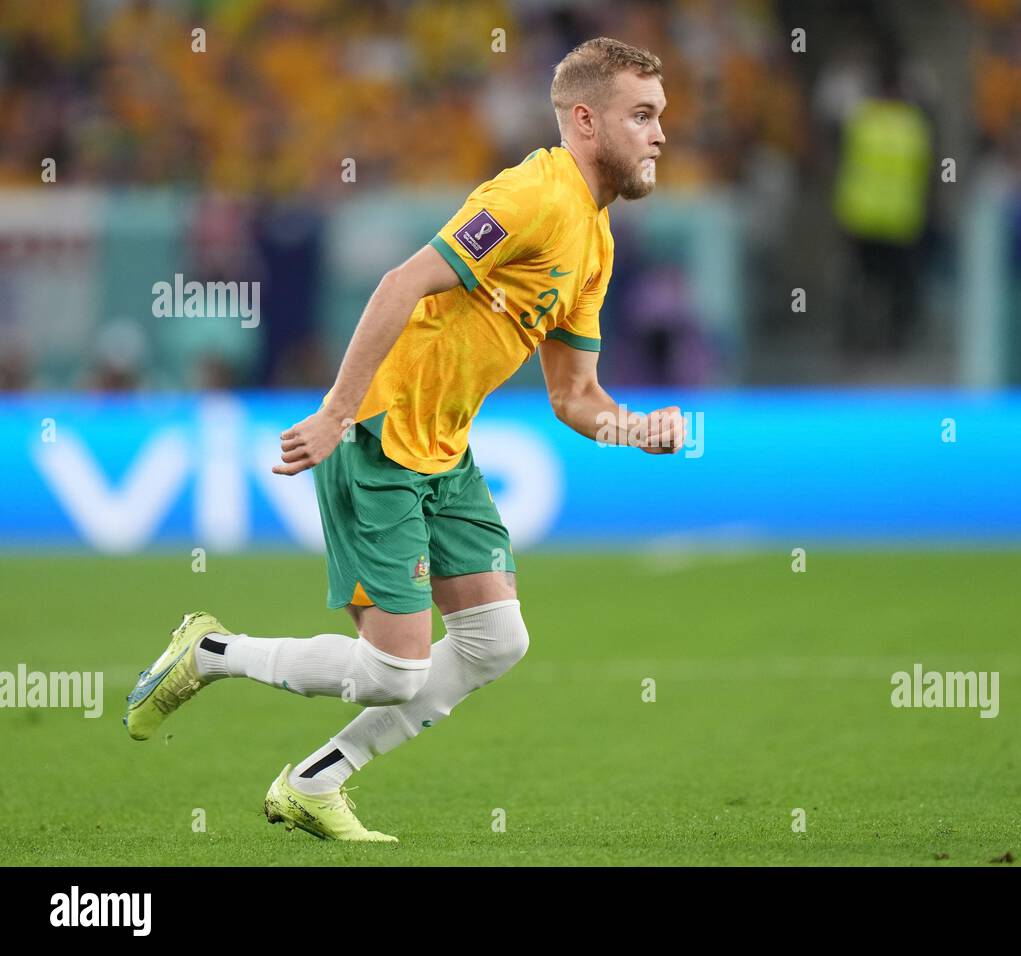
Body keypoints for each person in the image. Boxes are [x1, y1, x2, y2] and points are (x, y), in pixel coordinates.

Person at [123, 38, 683, 842]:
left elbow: (575, 397)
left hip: (445, 449)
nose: (660, 133)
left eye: (661, 116)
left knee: (497, 640)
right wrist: (337, 413)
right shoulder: (532, 196)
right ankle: (210, 652)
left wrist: (634, 429)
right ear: (587, 121)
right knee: (394, 673)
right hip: (380, 434)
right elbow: (402, 281)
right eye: (643, 115)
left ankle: (315, 782)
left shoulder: (597, 243)